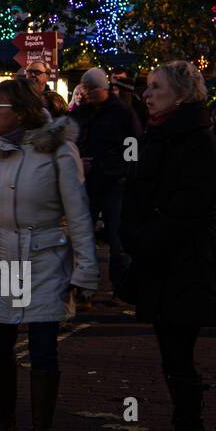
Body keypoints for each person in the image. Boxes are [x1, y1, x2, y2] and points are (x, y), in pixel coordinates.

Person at [0, 78, 98, 431]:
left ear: (20, 110)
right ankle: (7, 421)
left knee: (43, 349)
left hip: (44, 258)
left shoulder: (58, 150)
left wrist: (85, 269)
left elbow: (78, 213)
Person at [119, 60, 216, 431]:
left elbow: (188, 208)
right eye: (147, 87)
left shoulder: (195, 140)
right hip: (163, 260)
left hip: (184, 262)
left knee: (179, 357)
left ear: (181, 95)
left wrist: (144, 236)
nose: (147, 94)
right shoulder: (159, 134)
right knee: (172, 355)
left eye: (156, 88)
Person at [71, 67, 138, 297]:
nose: (87, 93)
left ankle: (120, 288)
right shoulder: (82, 114)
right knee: (84, 234)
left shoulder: (122, 113)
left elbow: (133, 146)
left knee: (116, 237)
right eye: (85, 88)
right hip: (88, 181)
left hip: (113, 181)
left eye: (92, 89)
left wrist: (123, 172)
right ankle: (86, 287)